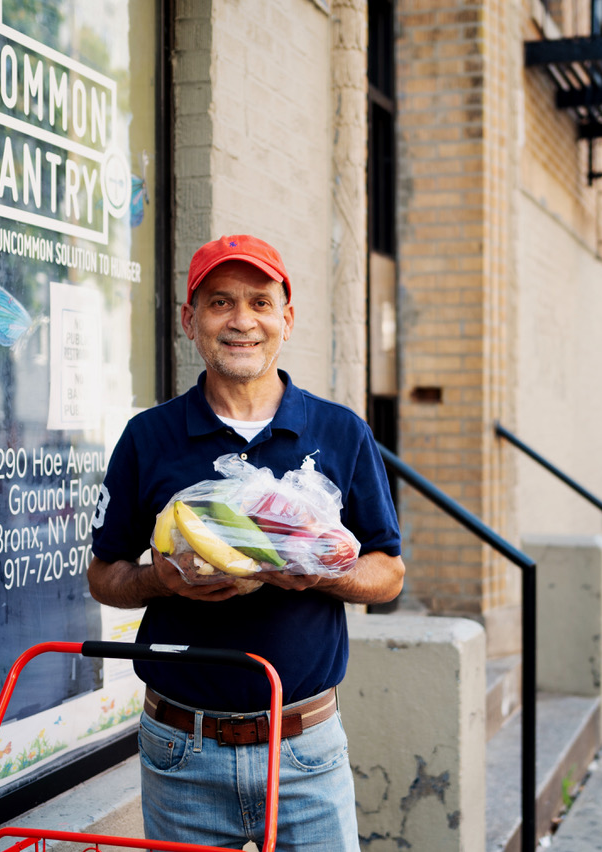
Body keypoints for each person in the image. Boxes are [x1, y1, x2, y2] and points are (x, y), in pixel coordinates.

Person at [87, 234, 405, 851]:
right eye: (219, 302)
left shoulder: (341, 433)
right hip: (181, 750)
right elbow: (105, 575)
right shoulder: (148, 439)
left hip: (305, 751)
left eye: (261, 302)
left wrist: (324, 573)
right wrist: (160, 580)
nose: (242, 321)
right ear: (190, 320)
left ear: (286, 318)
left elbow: (388, 573)